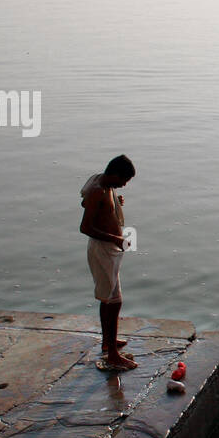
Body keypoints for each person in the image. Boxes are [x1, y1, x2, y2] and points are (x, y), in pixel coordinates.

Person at [80, 155, 136, 370]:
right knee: (111, 301)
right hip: (102, 249)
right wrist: (115, 238)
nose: (124, 185)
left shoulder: (104, 185)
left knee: (114, 300)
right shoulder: (98, 190)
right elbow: (85, 227)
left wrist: (113, 204)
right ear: (114, 175)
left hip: (110, 250)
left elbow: (85, 202)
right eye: (124, 181)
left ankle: (108, 342)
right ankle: (112, 353)